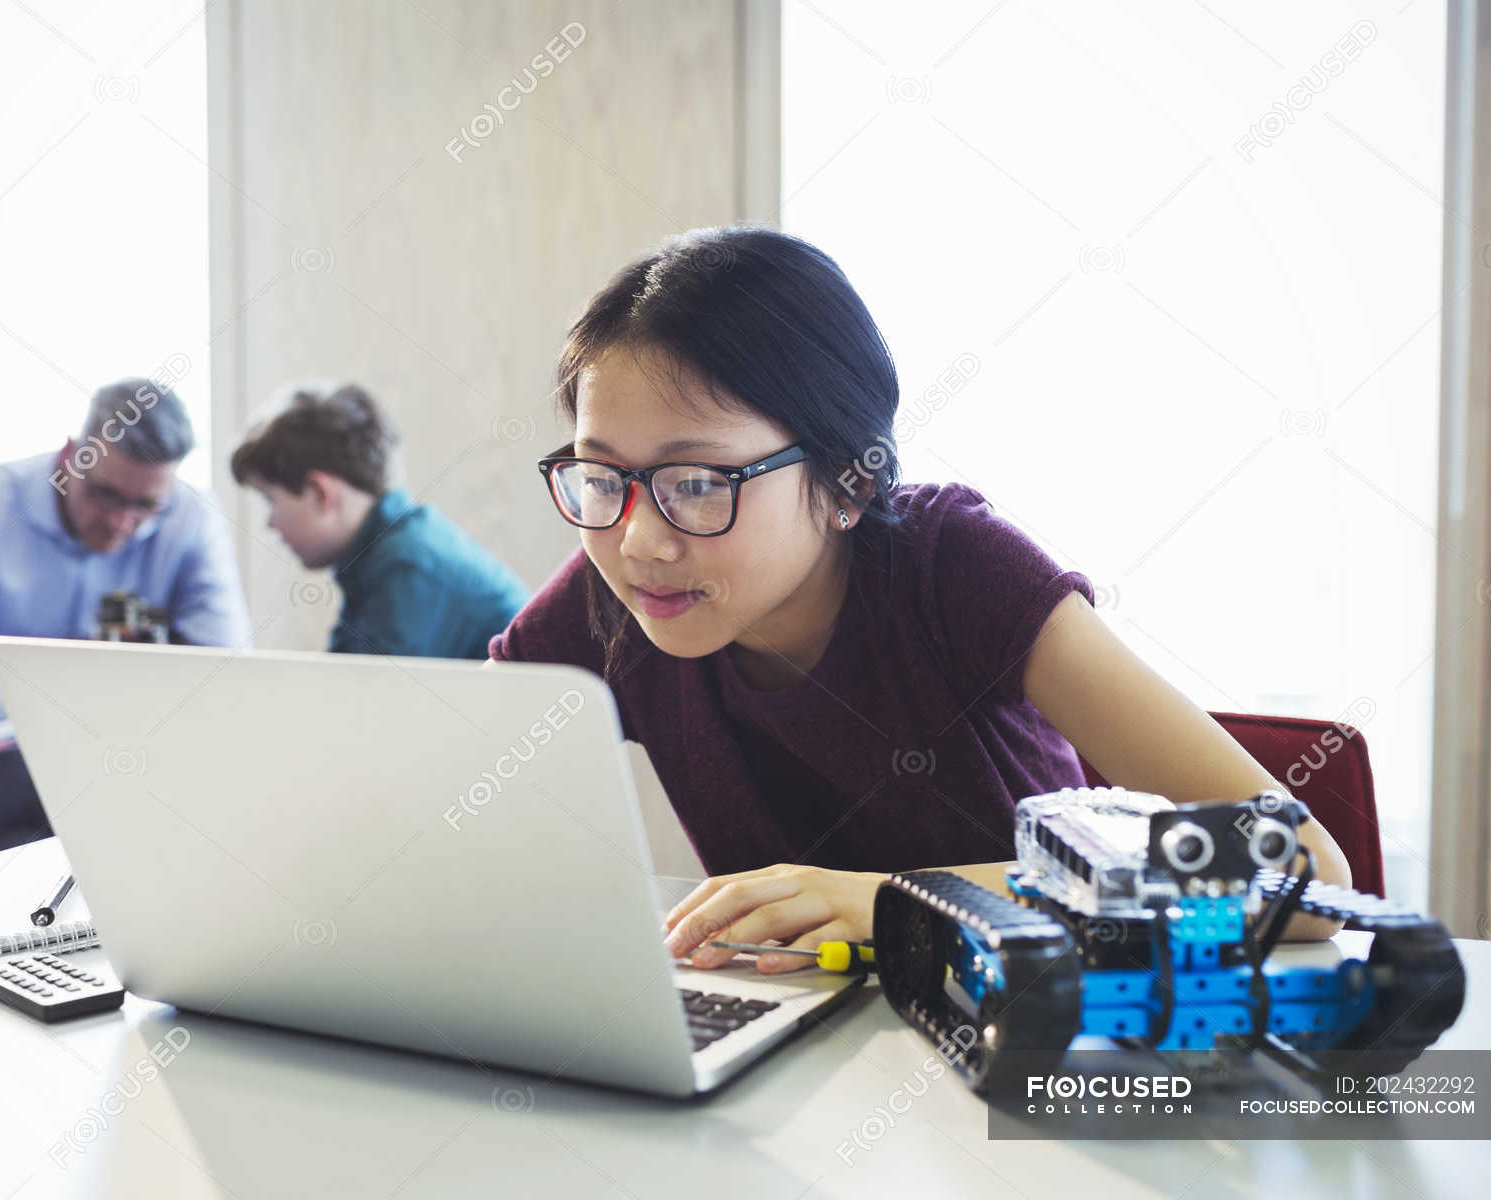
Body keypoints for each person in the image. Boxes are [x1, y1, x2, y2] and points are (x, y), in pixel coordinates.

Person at [488, 227, 1353, 970]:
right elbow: (446, 811)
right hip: (800, 1053)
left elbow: (1302, 868)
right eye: (602, 476)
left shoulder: (954, 567)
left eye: (698, 483)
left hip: (1034, 1040)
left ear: (847, 482)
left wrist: (902, 901)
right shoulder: (626, 594)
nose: (639, 538)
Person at [0, 377, 249, 739]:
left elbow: (226, 675)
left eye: (144, 506)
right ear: (70, 457)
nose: (119, 523)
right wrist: (59, 716)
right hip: (0, 743)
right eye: (105, 494)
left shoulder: (193, 518)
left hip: (139, 744)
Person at [230, 382, 529, 659]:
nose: (270, 523)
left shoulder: (407, 565)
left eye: (270, 500)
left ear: (321, 493)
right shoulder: (380, 553)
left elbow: (372, 696)